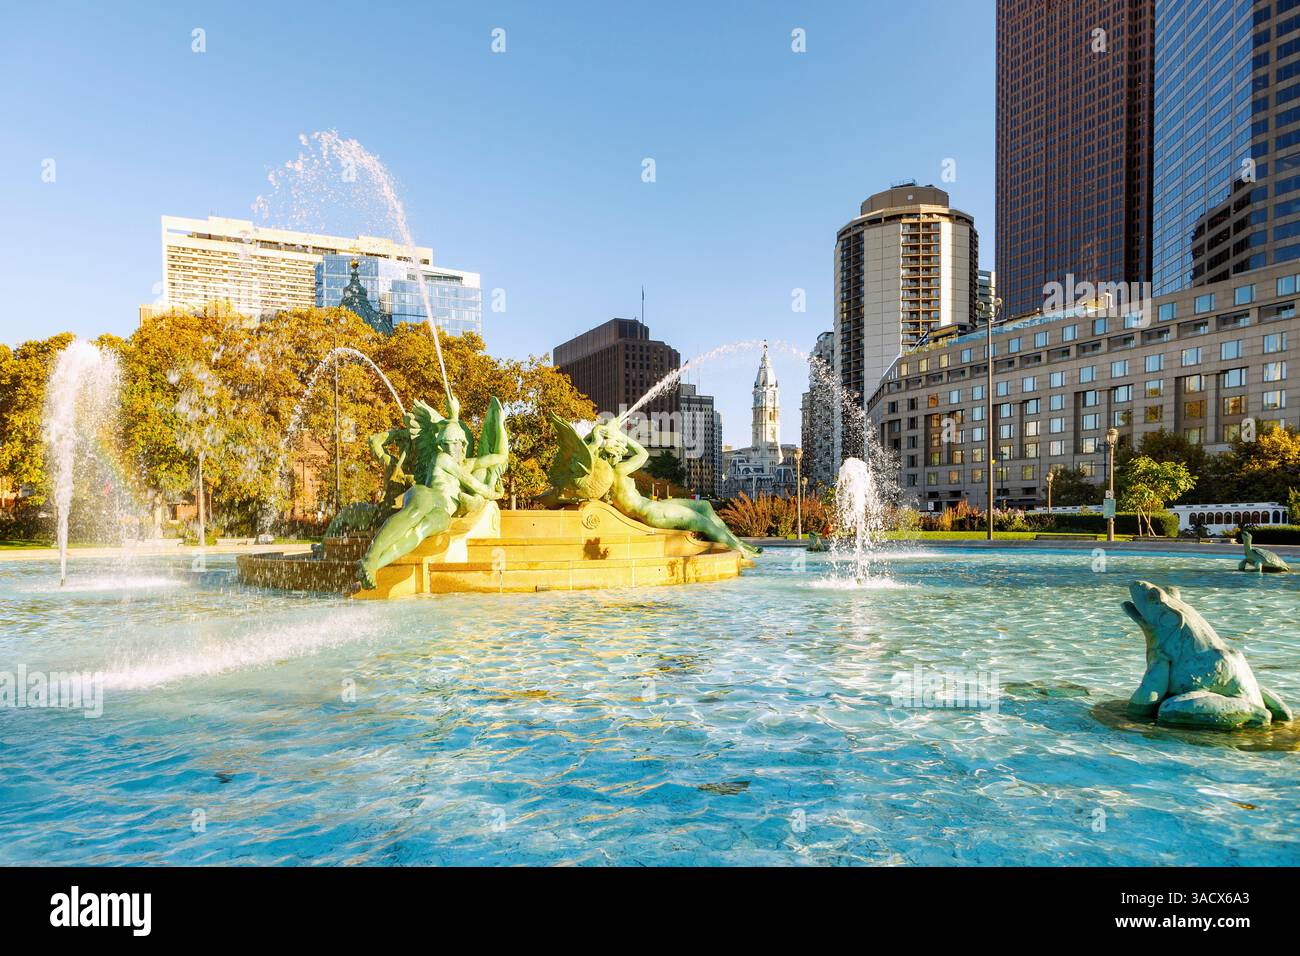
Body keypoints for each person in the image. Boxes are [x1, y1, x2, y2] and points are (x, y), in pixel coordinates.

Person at [602, 423, 757, 555]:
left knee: (704, 506)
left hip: (653, 505)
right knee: (704, 523)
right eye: (619, 448)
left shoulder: (613, 470)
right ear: (611, 453)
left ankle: (736, 541)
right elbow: (643, 454)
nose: (622, 452)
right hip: (652, 513)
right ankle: (742, 552)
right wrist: (622, 435)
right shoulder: (617, 470)